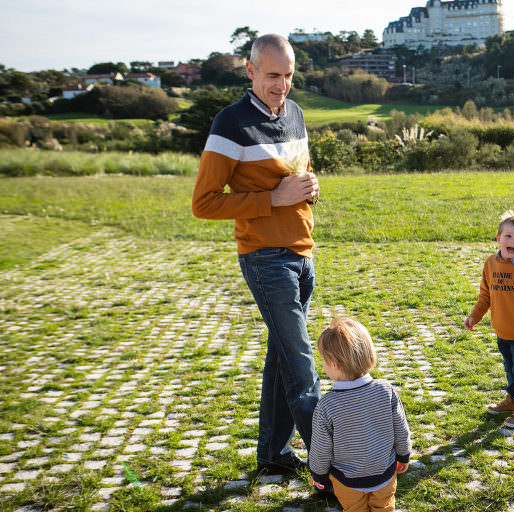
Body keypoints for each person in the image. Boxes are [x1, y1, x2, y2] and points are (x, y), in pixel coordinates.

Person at [191, 34, 320, 474]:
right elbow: (204, 203)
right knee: (303, 369)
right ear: (250, 71)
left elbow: (296, 175)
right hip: (266, 258)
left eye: (288, 76)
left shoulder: (296, 113)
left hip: (304, 252)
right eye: (272, 75)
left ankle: (273, 455)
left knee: (283, 357)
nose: (281, 85)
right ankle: (334, 471)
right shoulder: (230, 123)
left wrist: (310, 188)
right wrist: (273, 200)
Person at [309, 318, 411, 512]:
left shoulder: (327, 405)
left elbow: (321, 449)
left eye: (324, 361)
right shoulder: (386, 391)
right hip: (385, 474)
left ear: (335, 364)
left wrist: (318, 475)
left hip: (347, 481)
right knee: (385, 507)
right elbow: (401, 429)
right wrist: (403, 455)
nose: (322, 366)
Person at [464, 211, 514, 429]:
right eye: (508, 236)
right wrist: (474, 316)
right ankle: (513, 400)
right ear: (498, 238)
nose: (513, 241)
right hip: (501, 331)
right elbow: (485, 296)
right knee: (509, 369)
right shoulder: (491, 263)